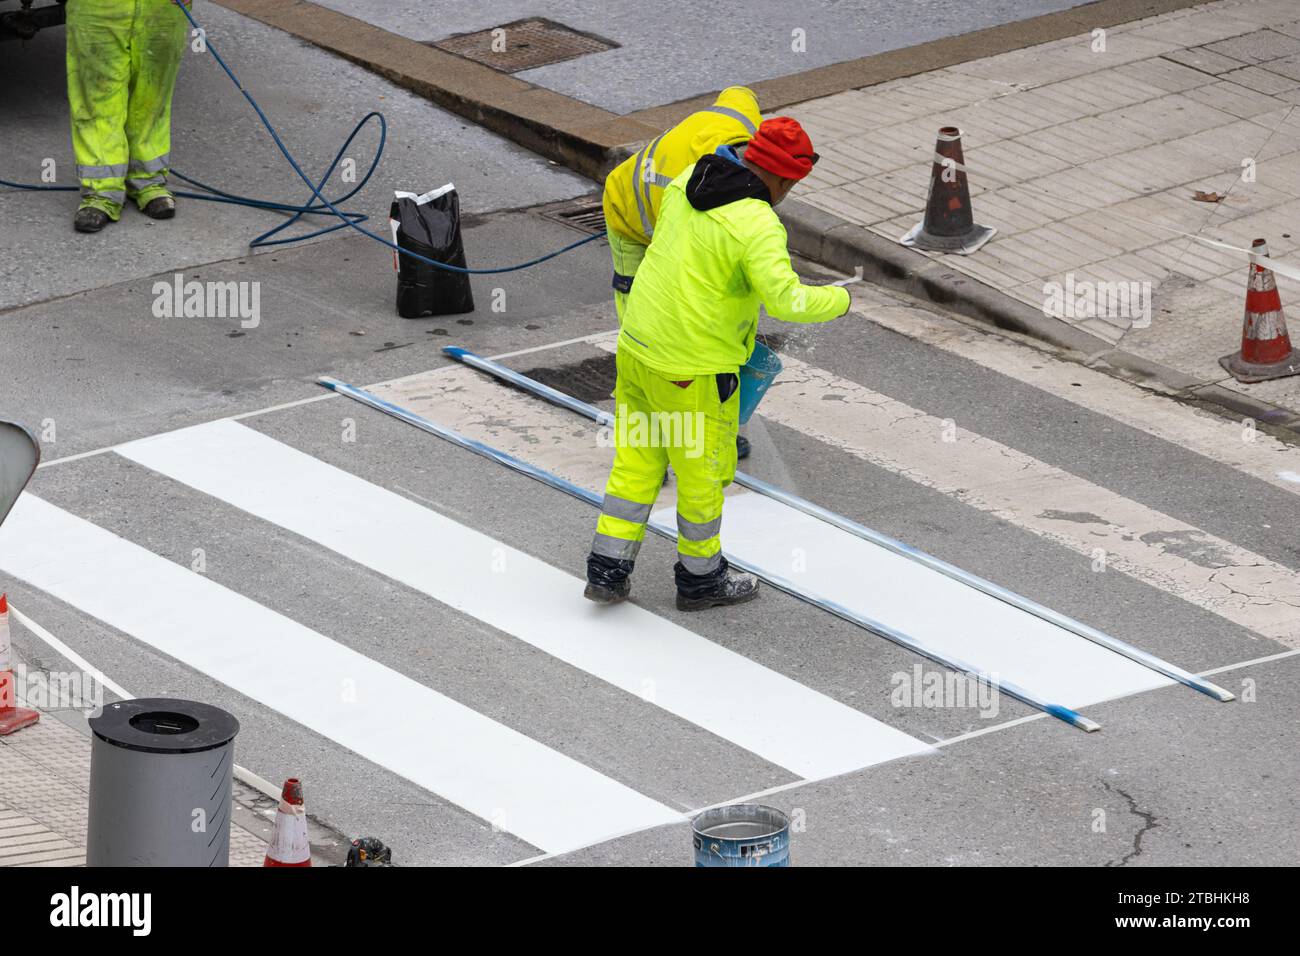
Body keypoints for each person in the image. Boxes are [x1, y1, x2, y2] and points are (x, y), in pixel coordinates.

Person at [585, 117, 851, 611]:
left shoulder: (690, 180)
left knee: (637, 460)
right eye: (793, 183)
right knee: (702, 475)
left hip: (638, 345)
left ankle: (607, 568)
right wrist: (838, 300)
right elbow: (786, 300)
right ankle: (701, 578)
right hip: (691, 367)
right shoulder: (757, 223)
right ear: (784, 178)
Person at [601, 86, 762, 459]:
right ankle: (652, 432)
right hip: (628, 217)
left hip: (654, 214)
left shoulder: (713, 128)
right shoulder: (716, 160)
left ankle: (685, 424)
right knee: (640, 330)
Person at [66, 0, 189, 233]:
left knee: (153, 96)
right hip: (98, 7)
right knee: (96, 97)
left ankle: (148, 181)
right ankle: (101, 192)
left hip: (162, 8)